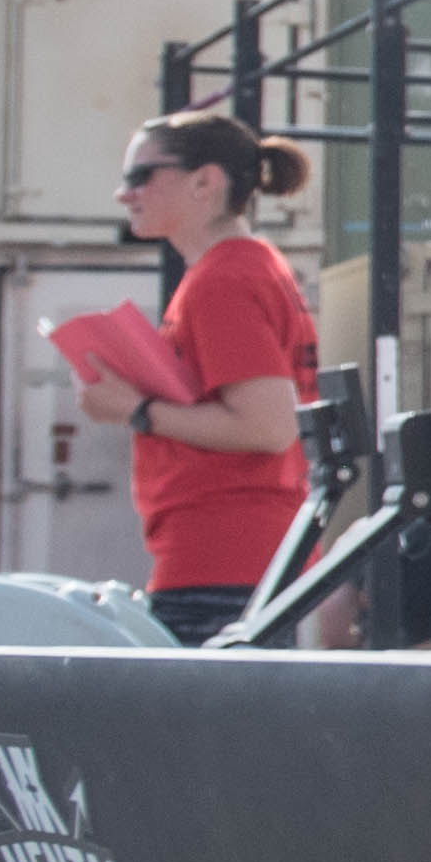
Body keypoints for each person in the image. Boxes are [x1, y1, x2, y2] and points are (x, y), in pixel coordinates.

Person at [69, 112, 317, 645]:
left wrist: (135, 410)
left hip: (221, 562)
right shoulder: (248, 267)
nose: (123, 194)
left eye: (141, 176)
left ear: (205, 182)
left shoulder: (221, 280)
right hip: (244, 557)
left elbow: (269, 427)